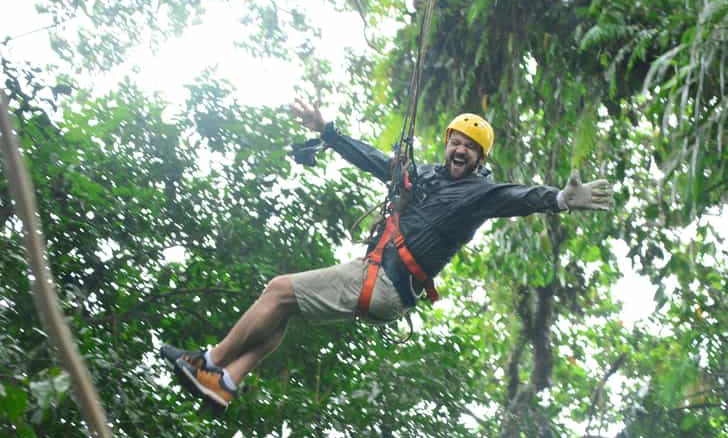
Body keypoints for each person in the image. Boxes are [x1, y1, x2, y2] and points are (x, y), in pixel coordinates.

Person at [160, 102, 613, 409]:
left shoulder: (480, 193)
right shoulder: (422, 176)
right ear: (448, 145)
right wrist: (328, 133)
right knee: (283, 309)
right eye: (456, 142)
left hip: (385, 281)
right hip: (381, 283)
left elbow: (519, 196)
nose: (460, 151)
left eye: (469, 148)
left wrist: (559, 199)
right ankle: (228, 380)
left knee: (278, 291)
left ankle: (209, 361)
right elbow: (376, 161)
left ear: (479, 158)